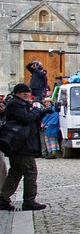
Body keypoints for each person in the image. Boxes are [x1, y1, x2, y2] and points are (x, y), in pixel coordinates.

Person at [0, 83, 53, 211]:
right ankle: (29, 201)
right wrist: (36, 109)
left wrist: (40, 111)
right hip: (21, 146)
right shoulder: (16, 104)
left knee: (15, 172)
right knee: (30, 172)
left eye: (27, 91)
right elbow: (26, 118)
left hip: (20, 145)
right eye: (23, 92)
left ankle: (3, 199)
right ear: (16, 93)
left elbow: (30, 117)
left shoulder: (20, 104)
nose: (26, 94)